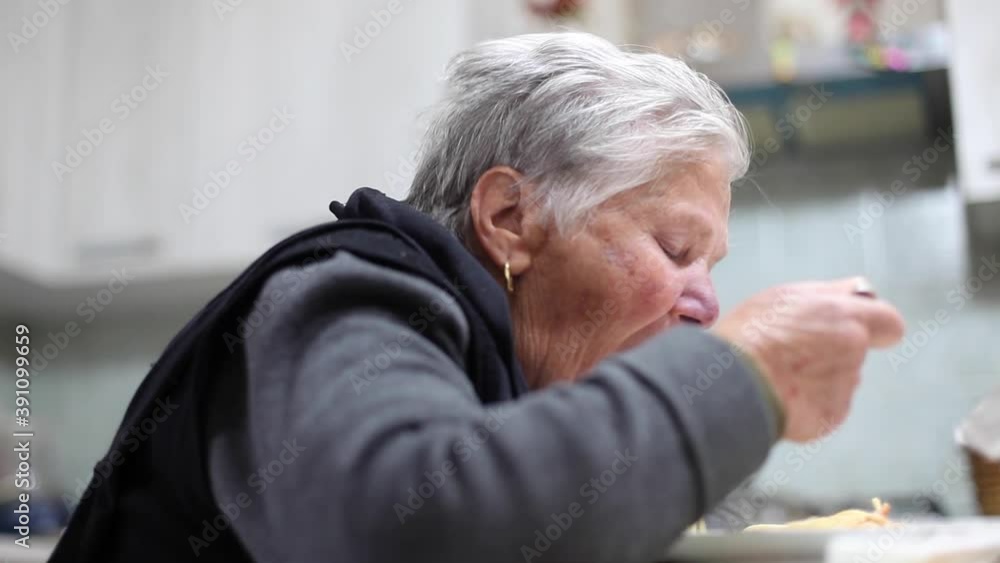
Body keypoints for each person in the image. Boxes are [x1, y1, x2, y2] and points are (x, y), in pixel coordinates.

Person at [51, 32, 904, 562]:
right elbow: (416, 528)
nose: (706, 304)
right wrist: (742, 371)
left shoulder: (497, 372)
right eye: (676, 249)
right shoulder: (352, 299)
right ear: (508, 219)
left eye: (710, 264)